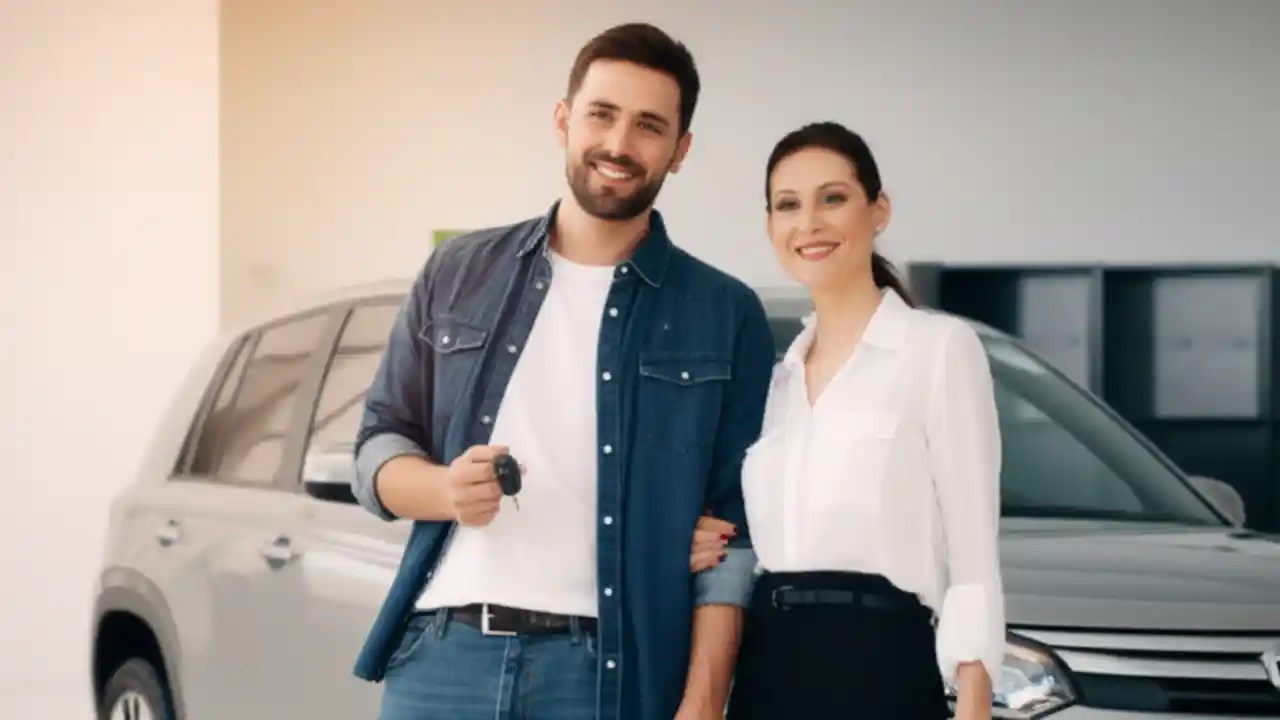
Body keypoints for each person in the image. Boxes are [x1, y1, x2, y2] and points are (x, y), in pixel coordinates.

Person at [349, 22, 775, 720]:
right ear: (563, 121)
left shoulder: (723, 313)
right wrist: (444, 490)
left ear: (680, 150)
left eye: (648, 126)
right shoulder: (458, 273)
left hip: (604, 675)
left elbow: (734, 536)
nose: (619, 144)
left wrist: (701, 704)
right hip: (441, 663)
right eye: (601, 114)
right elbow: (378, 442)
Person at [692, 121, 1005, 718]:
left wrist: (974, 701)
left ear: (878, 210)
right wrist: (698, 538)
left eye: (832, 198)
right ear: (769, 226)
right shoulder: (778, 381)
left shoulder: (938, 349)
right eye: (788, 205)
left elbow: (973, 559)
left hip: (882, 670)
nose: (809, 223)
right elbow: (751, 538)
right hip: (769, 674)